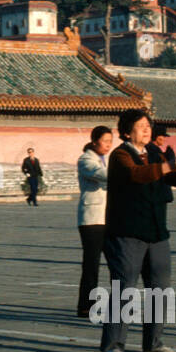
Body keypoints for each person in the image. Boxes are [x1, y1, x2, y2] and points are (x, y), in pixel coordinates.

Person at [99, 109, 176, 352]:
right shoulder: (120, 155)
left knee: (159, 287)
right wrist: (167, 165)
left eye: (148, 125)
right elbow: (136, 175)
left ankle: (154, 341)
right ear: (126, 132)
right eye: (140, 126)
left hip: (156, 231)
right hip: (126, 232)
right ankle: (112, 344)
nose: (147, 129)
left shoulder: (154, 153)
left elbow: (173, 177)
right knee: (124, 289)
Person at [75, 126, 112, 317]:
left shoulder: (104, 160)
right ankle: (86, 305)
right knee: (92, 263)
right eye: (105, 141)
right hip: (91, 220)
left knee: (116, 260)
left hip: (107, 217)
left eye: (110, 142)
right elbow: (101, 175)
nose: (108, 145)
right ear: (94, 141)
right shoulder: (85, 160)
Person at [151, 125, 176, 205]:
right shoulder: (152, 150)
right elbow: (164, 165)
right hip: (158, 192)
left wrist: (168, 152)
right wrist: (170, 155)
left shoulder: (154, 150)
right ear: (157, 137)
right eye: (163, 136)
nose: (164, 139)